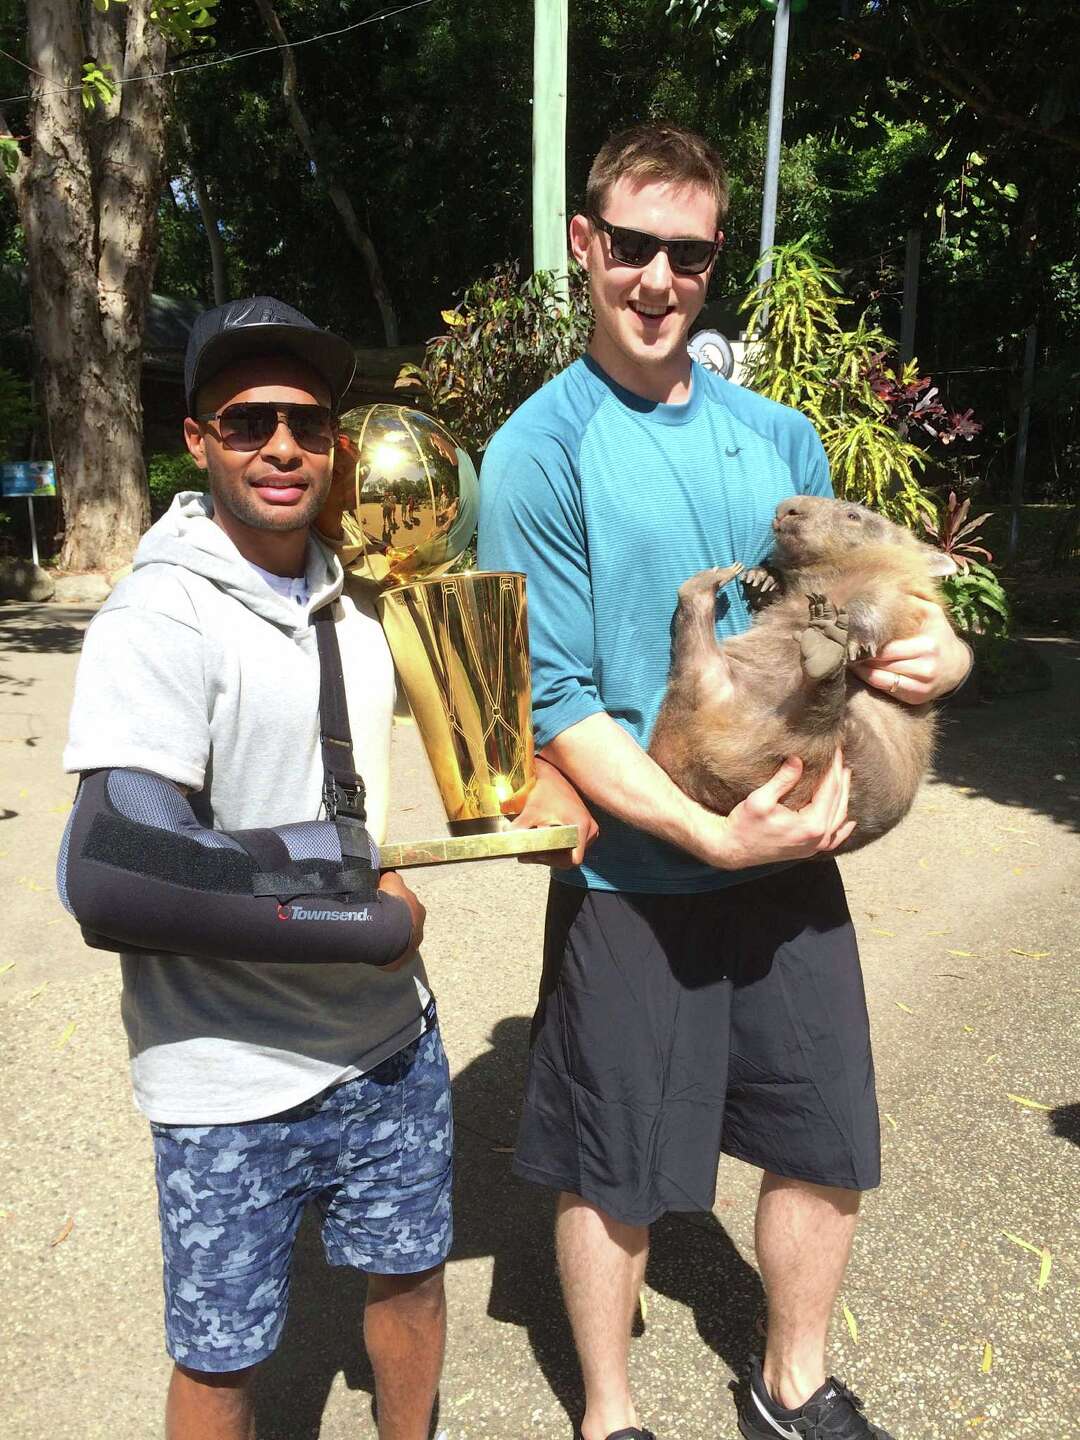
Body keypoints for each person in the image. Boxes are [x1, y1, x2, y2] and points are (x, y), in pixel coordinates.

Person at [478, 124, 972, 1440]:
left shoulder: (778, 435)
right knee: (616, 1160)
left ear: (711, 267)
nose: (658, 279)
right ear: (585, 244)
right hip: (639, 867)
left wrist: (934, 653)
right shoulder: (539, 452)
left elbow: (858, 602)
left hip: (791, 845)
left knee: (822, 1130)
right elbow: (557, 701)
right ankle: (610, 1414)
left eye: (687, 255)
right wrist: (703, 834)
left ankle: (792, 1383)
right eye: (632, 246)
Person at [59, 295, 593, 1440]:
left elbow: (479, 756)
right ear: (198, 439)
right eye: (247, 421)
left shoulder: (361, 607)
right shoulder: (159, 618)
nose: (283, 446)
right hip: (224, 1074)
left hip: (385, 1046)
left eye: (307, 423)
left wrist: (533, 782)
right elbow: (117, 870)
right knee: (222, 1360)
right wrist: (360, 905)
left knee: (410, 1283)